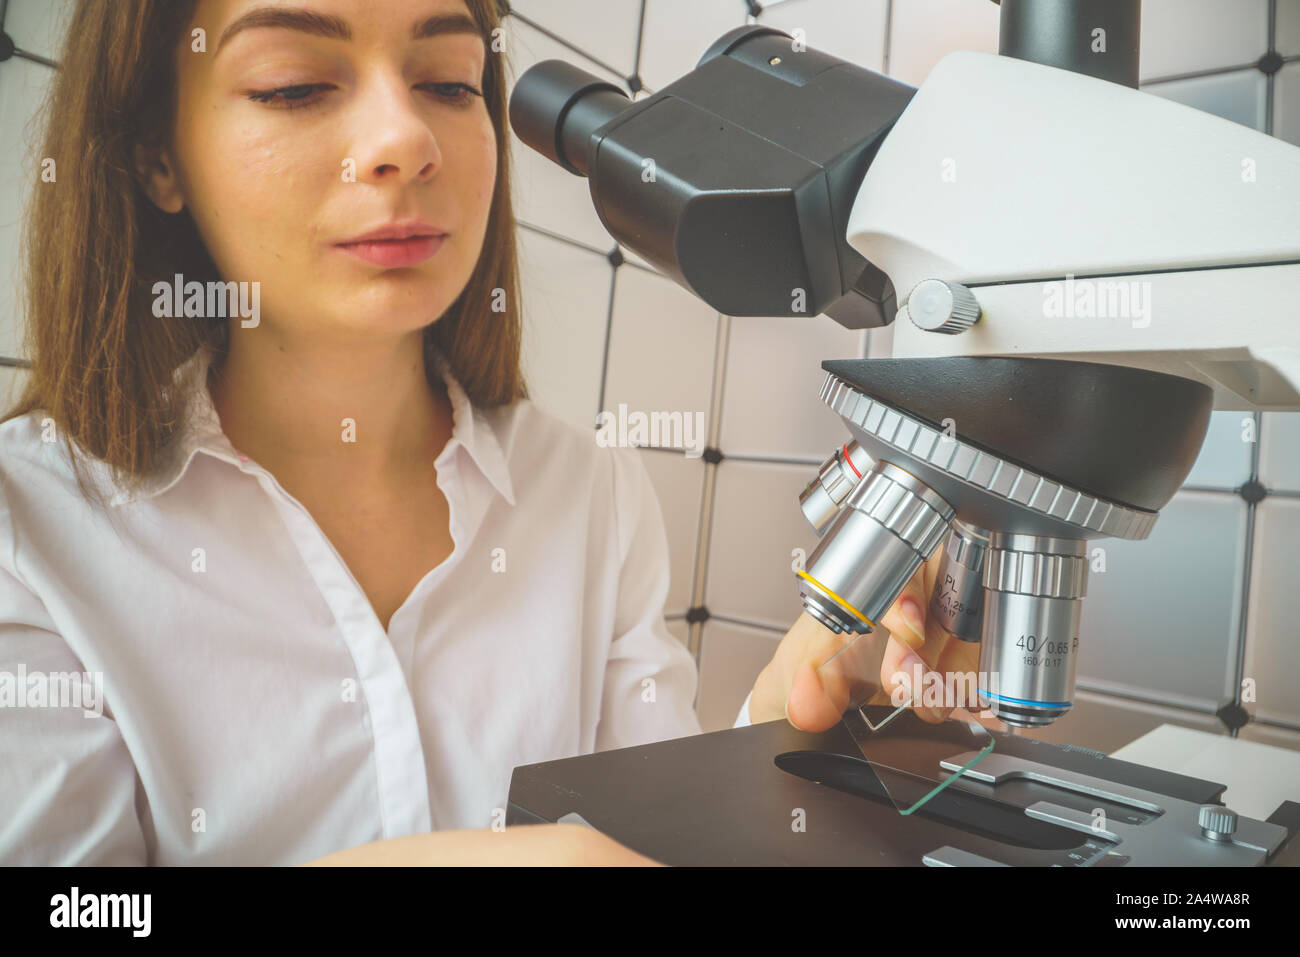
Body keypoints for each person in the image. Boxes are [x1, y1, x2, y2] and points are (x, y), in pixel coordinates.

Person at [0, 0, 961, 866]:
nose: (405, 138)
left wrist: (789, 723)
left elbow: (655, 837)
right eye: (296, 85)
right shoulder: (32, 527)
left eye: (449, 83)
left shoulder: (588, 490)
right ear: (154, 153)